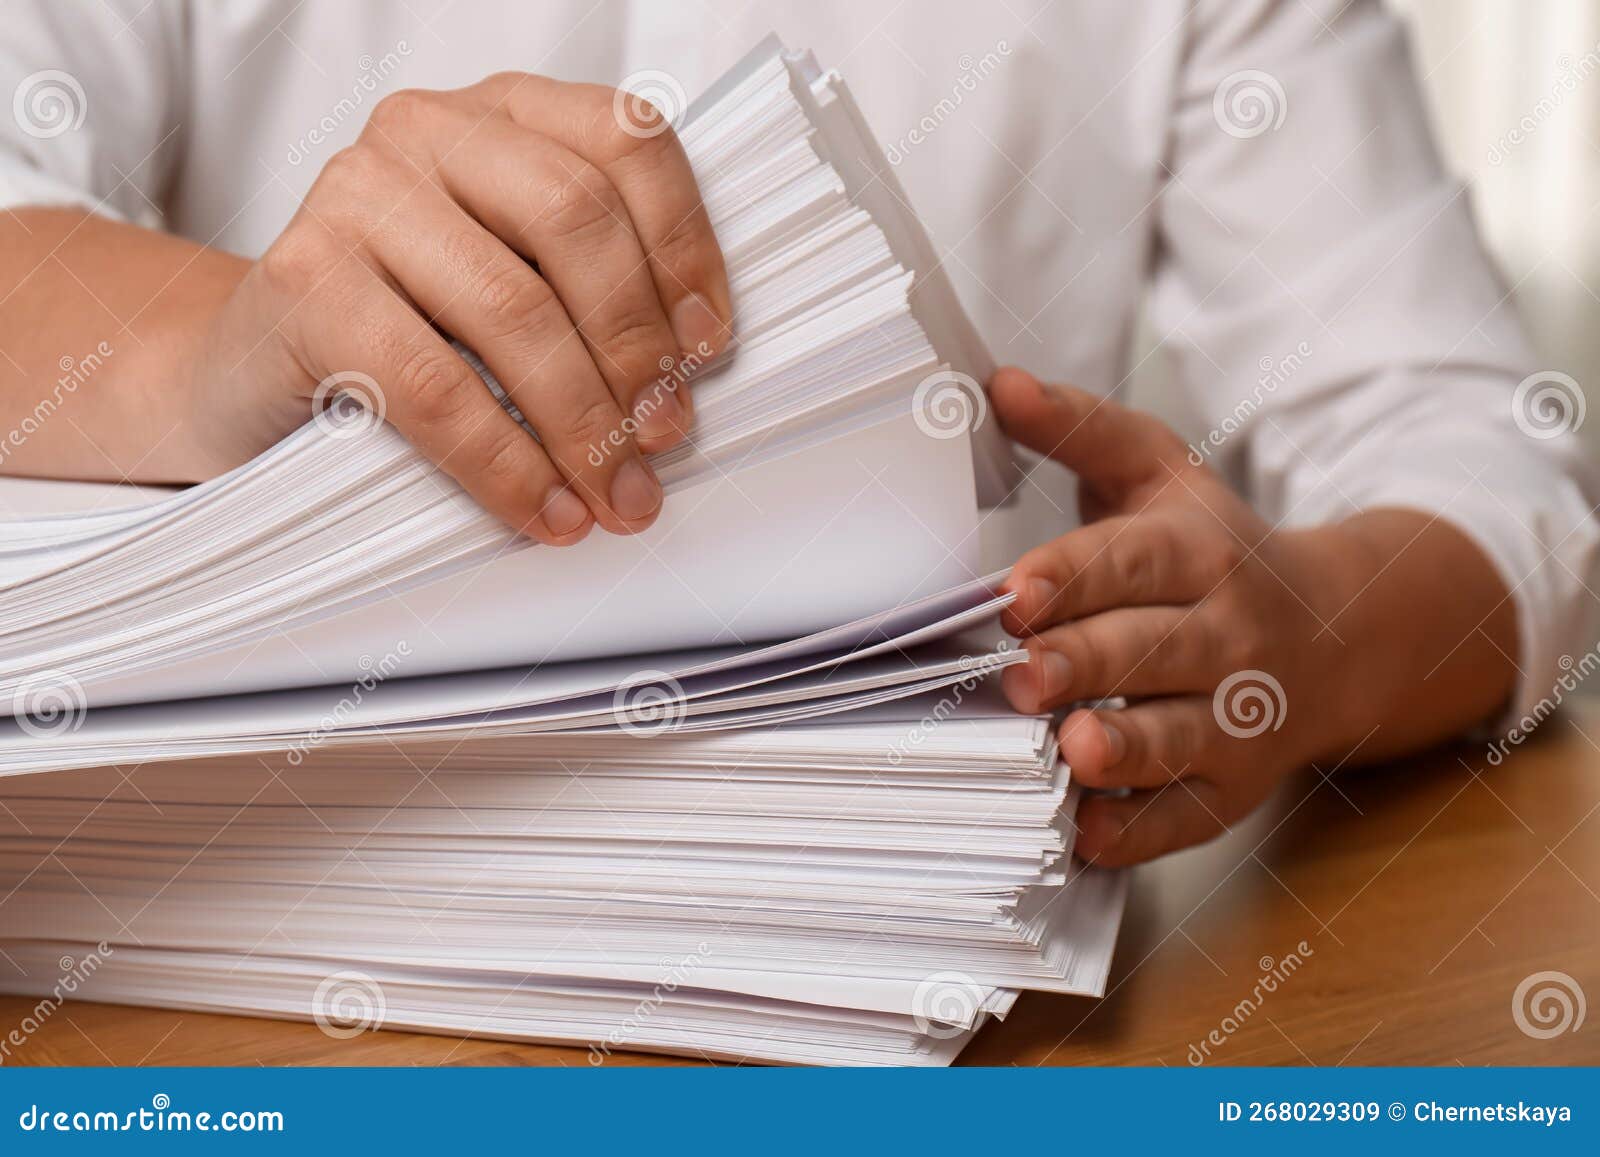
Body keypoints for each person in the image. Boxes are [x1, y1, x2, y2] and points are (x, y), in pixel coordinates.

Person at [1, 0, 1594, 867]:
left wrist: (1304, 638)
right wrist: (226, 342)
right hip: (268, 889)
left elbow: (1479, 454)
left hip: (940, 952)